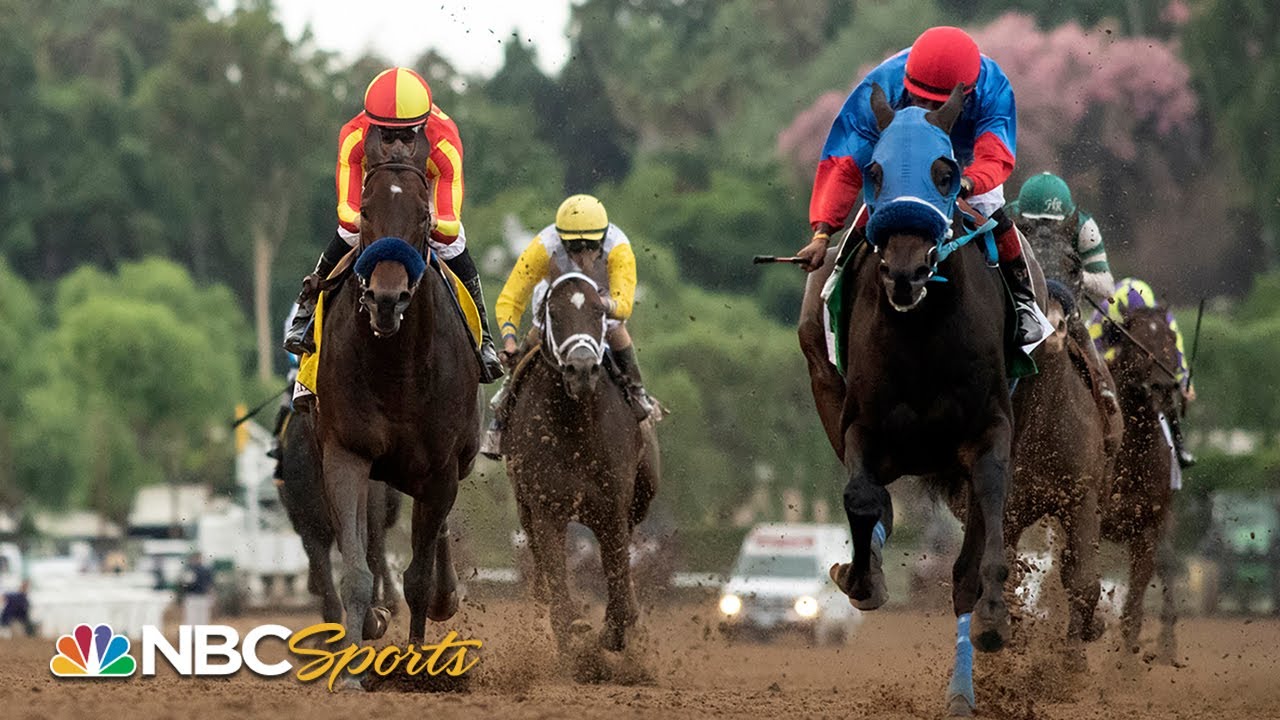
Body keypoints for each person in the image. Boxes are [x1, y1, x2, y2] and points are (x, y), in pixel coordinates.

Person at [797, 25, 1044, 346]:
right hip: (903, 157)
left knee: (991, 211)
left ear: (966, 94)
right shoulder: (883, 84)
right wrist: (823, 231)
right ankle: (834, 290)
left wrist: (967, 182)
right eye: (919, 100)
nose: (927, 111)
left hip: (964, 160)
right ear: (906, 83)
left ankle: (1024, 300)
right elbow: (844, 160)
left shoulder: (993, 88)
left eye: (937, 105)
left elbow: (996, 154)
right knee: (871, 213)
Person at [282, 66, 503, 382]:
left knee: (452, 243)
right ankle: (307, 312)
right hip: (376, 190)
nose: (398, 147)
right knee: (348, 232)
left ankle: (483, 340)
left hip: (422, 188)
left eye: (407, 136)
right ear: (372, 128)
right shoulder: (354, 136)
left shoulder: (445, 142)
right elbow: (347, 210)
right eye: (387, 136)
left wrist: (425, 221)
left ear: (423, 127)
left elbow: (449, 222)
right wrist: (371, 219)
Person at [480, 195, 654, 458]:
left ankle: (636, 390)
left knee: (616, 330)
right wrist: (510, 341)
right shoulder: (543, 246)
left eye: (590, 247)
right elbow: (511, 298)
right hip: (558, 296)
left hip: (602, 299)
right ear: (561, 240)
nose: (582, 255)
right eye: (573, 247)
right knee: (536, 336)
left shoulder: (618, 247)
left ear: (603, 239)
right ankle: (503, 411)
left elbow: (624, 303)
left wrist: (600, 305)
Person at [1088, 277, 1197, 468]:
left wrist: (1184, 380)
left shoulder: (1163, 317)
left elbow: (1177, 351)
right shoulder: (1105, 310)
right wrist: (1113, 355)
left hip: (1144, 364)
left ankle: (1179, 447)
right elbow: (1091, 346)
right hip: (1112, 355)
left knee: (1166, 393)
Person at [1008, 172, 1114, 303]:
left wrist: (1077, 276)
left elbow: (1107, 287)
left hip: (1065, 306)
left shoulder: (1085, 227)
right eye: (1035, 221)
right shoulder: (1007, 220)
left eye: (1050, 221)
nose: (1043, 229)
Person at [179, 553, 214, 627]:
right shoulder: (206, 569)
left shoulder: (189, 570)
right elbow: (210, 585)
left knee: (191, 619)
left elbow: (185, 585)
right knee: (203, 619)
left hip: (192, 597)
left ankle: (192, 636)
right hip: (203, 597)